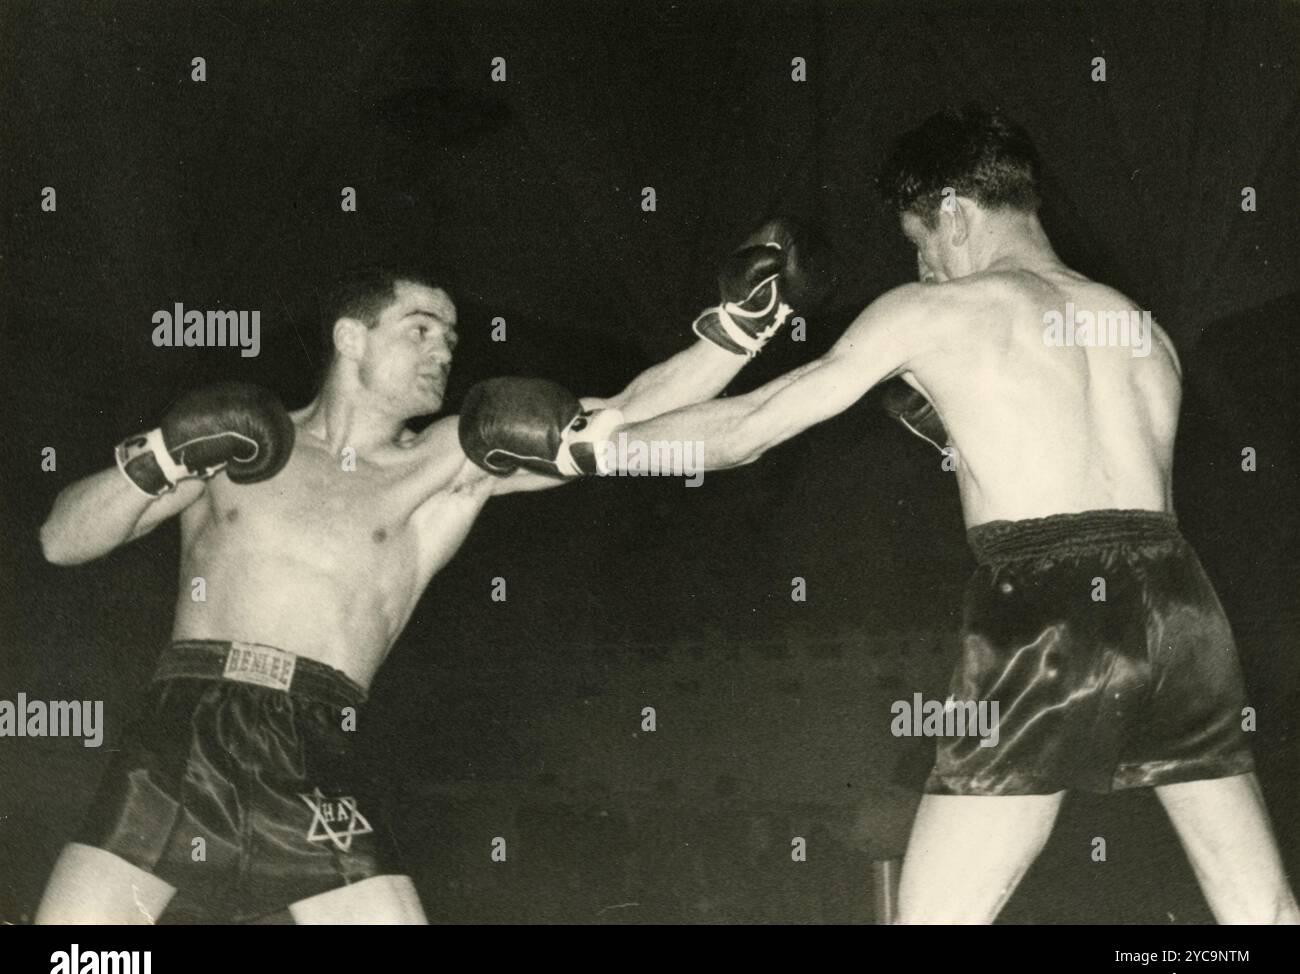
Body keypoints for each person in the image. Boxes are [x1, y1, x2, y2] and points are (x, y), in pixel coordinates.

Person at [485, 106, 1299, 924]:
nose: (924, 263)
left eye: (918, 240)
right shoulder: (1138, 327)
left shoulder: (933, 310)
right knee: (1259, 908)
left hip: (1047, 611)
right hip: (1183, 602)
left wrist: (591, 449)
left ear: (951, 212)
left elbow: (744, 434)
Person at [35, 220, 835, 924]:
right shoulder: (242, 440)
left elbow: (629, 415)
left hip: (314, 749)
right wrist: (165, 455)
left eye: (451, 338)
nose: (444, 351)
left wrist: (739, 328)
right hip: (180, 737)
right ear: (351, 337)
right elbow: (61, 541)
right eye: (420, 330)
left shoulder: (447, 460)